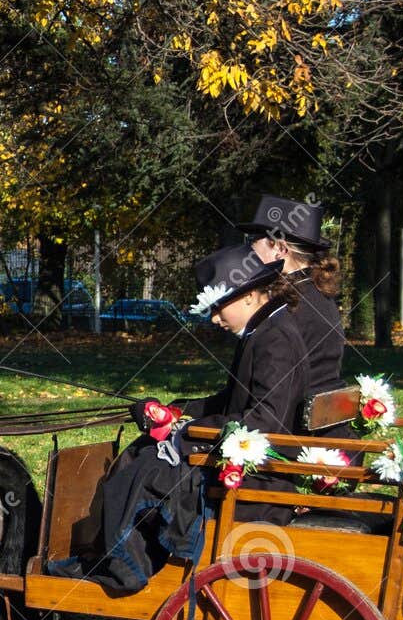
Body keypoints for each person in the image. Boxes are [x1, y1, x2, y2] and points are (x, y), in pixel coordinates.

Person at [46, 246, 309, 593]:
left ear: (247, 297)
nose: (215, 319)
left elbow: (264, 420)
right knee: (143, 451)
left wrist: (185, 434)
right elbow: (232, 401)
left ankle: (127, 568)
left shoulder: (274, 340)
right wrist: (179, 410)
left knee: (147, 469)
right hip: (253, 463)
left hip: (261, 483)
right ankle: (114, 553)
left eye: (218, 308)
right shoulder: (264, 331)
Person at [237, 194, 347, 400]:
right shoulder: (318, 294)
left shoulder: (286, 306)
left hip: (285, 426)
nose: (248, 249)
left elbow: (260, 401)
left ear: (279, 248)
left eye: (253, 240)